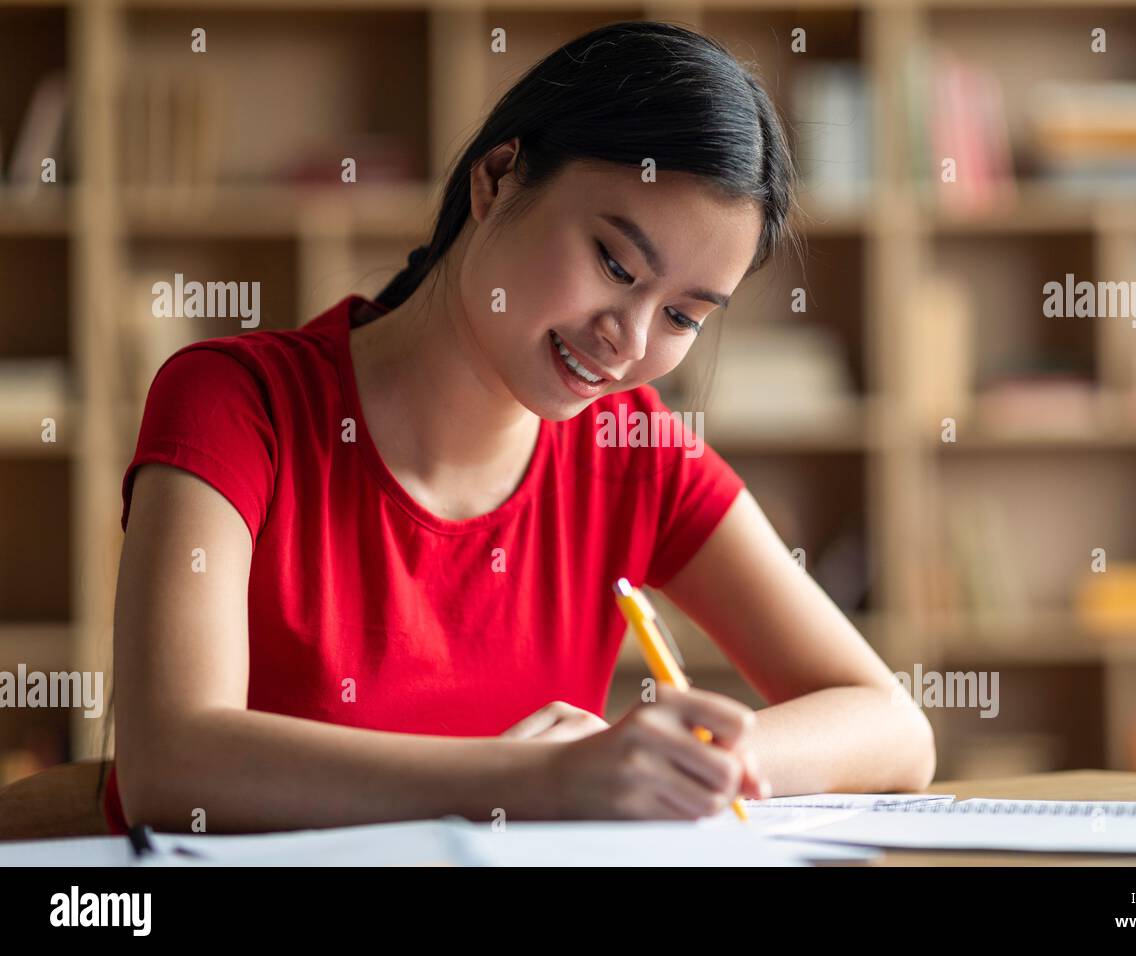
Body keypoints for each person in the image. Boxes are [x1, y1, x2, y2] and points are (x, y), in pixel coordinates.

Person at [103, 20, 935, 834]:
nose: (631, 341)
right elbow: (171, 765)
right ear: (497, 178)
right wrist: (541, 780)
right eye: (615, 263)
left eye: (684, 315)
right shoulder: (236, 404)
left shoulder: (632, 446)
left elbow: (895, 729)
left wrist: (663, 764)